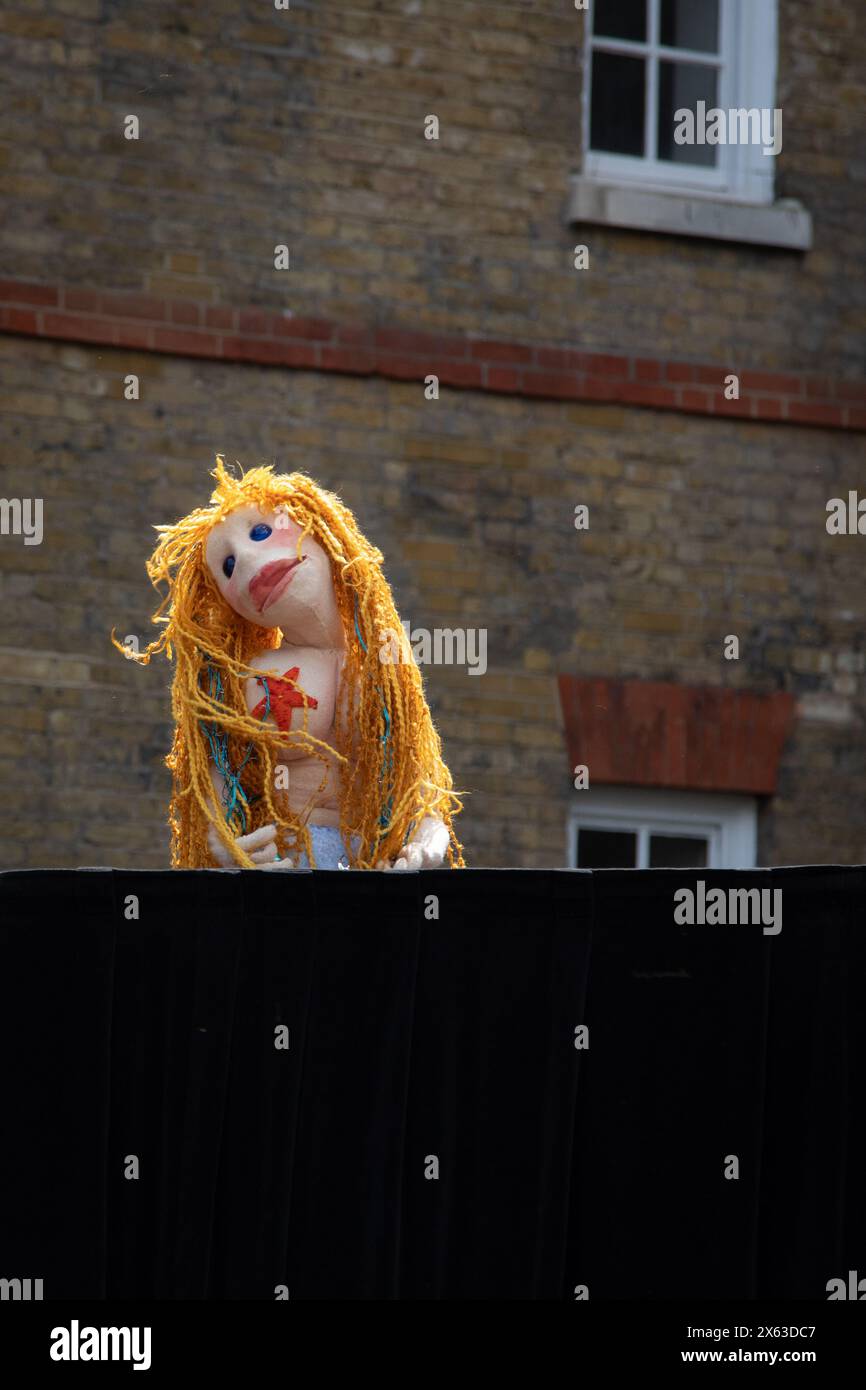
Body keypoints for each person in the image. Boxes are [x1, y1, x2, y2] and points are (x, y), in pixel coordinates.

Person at [112, 456, 464, 871]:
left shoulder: (390, 661)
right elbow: (215, 773)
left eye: (260, 531)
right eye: (227, 566)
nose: (243, 559)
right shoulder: (249, 674)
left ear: (316, 524)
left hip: (376, 874)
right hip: (283, 866)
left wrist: (429, 836)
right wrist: (222, 842)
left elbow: (419, 778)